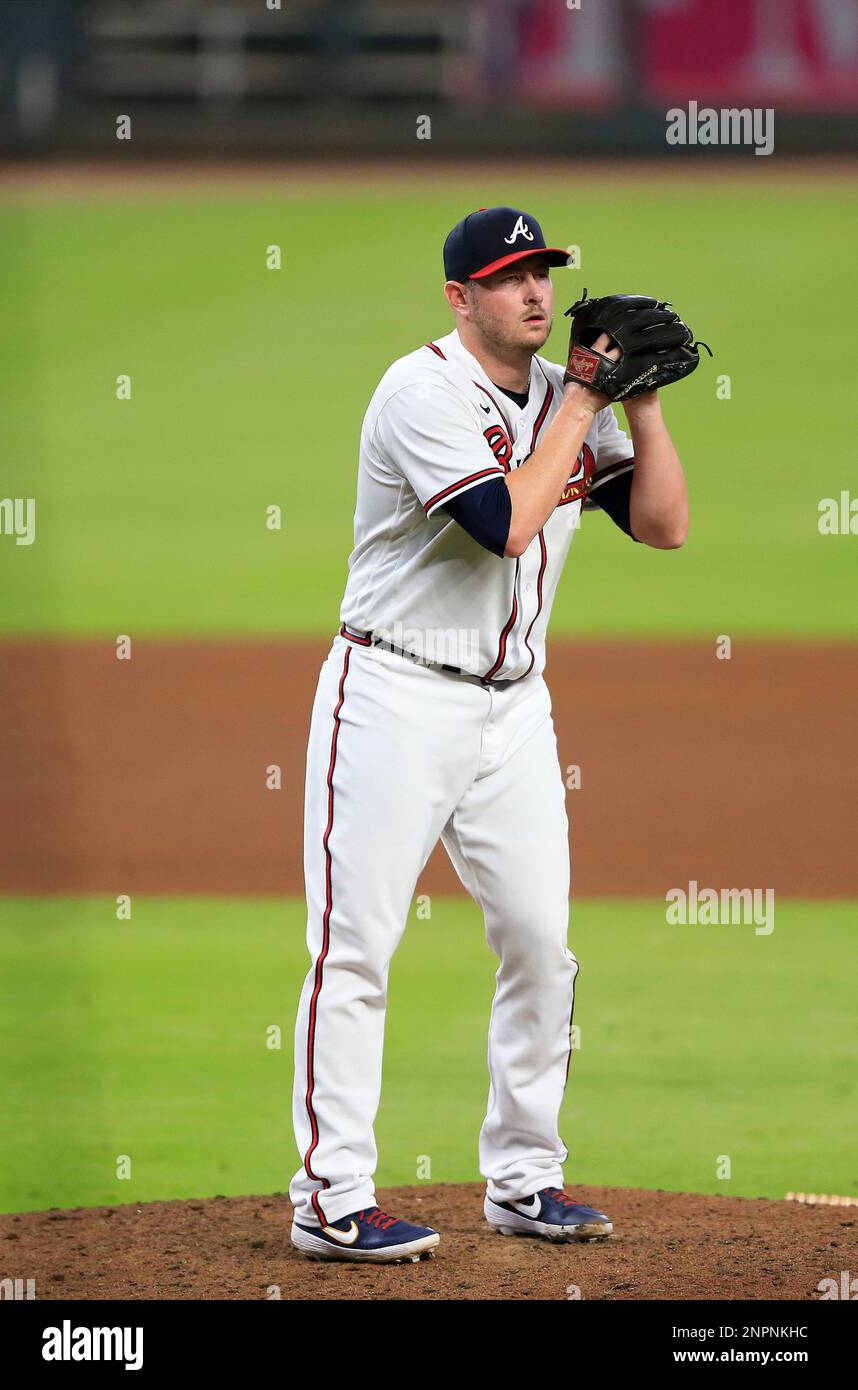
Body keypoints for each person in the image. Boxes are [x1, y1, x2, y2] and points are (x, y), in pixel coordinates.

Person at [288, 206, 688, 1264]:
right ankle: (330, 1197)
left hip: (514, 709)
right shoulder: (417, 390)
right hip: (392, 696)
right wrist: (588, 397)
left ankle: (522, 1177)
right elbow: (505, 523)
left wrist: (636, 405)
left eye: (542, 273)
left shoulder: (568, 397)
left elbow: (662, 523)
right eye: (509, 276)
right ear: (460, 297)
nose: (534, 294)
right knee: (356, 950)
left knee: (538, 948)